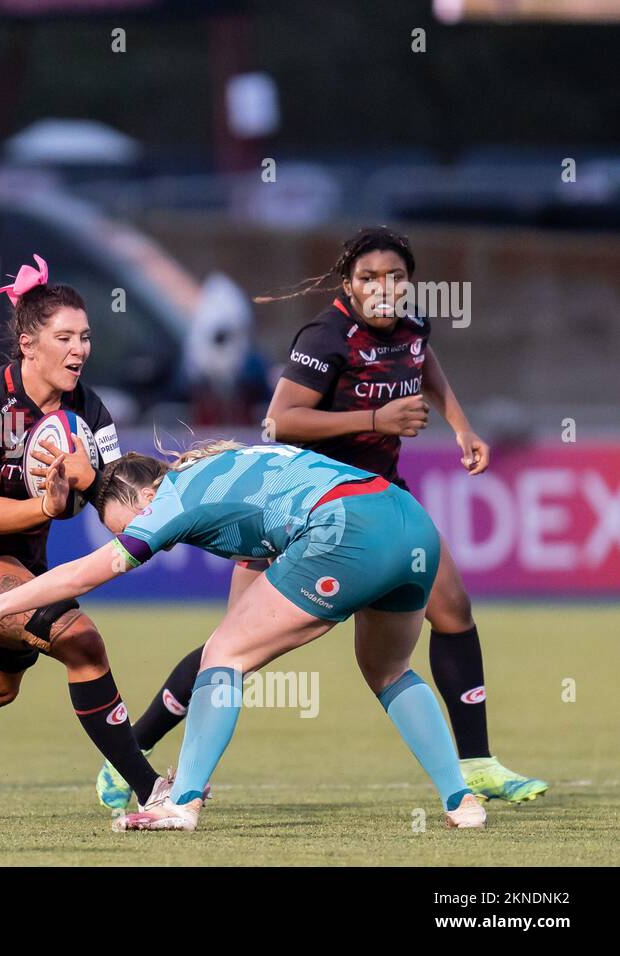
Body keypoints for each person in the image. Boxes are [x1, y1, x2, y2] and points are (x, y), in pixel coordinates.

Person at [96, 226, 548, 810]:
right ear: (348, 284)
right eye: (368, 279)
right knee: (229, 650)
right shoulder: (327, 336)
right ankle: (130, 756)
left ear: (410, 282)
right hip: (293, 506)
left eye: (394, 278)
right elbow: (280, 422)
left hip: (377, 501)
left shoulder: (412, 329)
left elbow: (424, 360)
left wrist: (461, 425)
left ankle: (477, 763)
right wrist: (378, 420)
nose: (382, 290)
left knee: (454, 611)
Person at [0, 442, 488, 831]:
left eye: (132, 522)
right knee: (389, 670)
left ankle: (180, 804)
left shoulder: (174, 496)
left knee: (222, 655)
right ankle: (462, 800)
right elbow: (241, 617)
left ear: (148, 491)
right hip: (410, 520)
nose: (142, 535)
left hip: (345, 526)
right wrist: (205, 727)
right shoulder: (230, 472)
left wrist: (3, 602)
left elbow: (90, 572)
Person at [0, 255, 170, 819]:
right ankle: (150, 791)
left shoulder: (89, 410)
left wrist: (133, 499)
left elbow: (113, 503)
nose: (80, 350)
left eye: (86, 337)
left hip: (22, 557)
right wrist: (47, 503)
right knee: (82, 640)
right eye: (65, 337)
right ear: (28, 344)